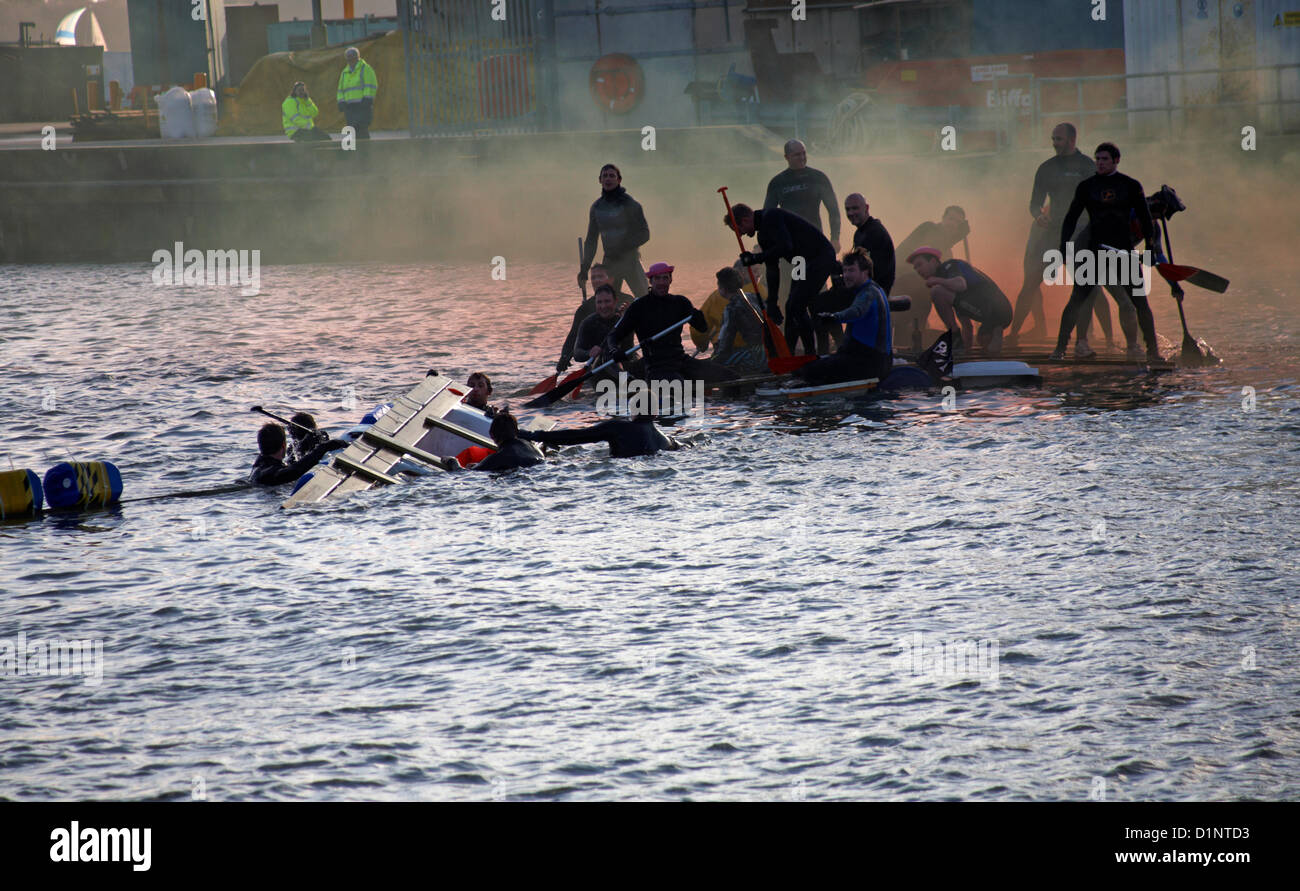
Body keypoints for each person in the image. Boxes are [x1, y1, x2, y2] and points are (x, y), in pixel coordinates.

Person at [1052, 142, 1160, 362]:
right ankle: (1060, 349)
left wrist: (1150, 248)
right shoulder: (1086, 186)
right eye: (1097, 159)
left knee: (1140, 303)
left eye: (1104, 159)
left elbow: (1146, 220)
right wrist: (1063, 246)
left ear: (1116, 160)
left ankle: (1152, 352)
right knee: (1077, 300)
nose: (1100, 163)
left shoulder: (1130, 185)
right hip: (1094, 252)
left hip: (1123, 253)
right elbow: (1071, 218)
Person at [1009, 122, 1114, 350]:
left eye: (1059, 139)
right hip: (1054, 233)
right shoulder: (1046, 168)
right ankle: (1013, 334)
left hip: (1082, 233)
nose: (1054, 143)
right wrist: (1038, 216)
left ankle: (1106, 340)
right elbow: (1035, 204)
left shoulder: (1088, 165)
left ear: (1072, 140)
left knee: (1091, 288)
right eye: (1053, 139)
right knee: (1031, 282)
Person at [599, 262, 738, 384]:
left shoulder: (680, 302)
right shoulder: (639, 307)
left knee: (731, 376)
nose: (661, 283)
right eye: (657, 279)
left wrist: (697, 316)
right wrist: (615, 350)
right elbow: (613, 336)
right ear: (650, 281)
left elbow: (702, 328)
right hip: (655, 365)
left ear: (670, 280)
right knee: (677, 384)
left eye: (665, 278)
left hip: (680, 360)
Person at [726, 202, 836, 355]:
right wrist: (772, 303)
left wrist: (756, 258)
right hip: (801, 263)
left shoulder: (771, 216)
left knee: (797, 306)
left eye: (739, 230)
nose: (740, 235)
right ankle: (789, 355)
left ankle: (813, 355)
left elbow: (786, 246)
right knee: (790, 308)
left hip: (819, 257)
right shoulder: (762, 235)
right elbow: (772, 269)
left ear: (744, 220)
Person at [795, 248, 892, 386]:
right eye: (845, 271)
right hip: (867, 359)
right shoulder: (874, 289)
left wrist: (834, 317)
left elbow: (856, 311)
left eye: (851, 270)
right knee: (811, 367)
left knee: (809, 371)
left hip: (871, 364)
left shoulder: (868, 293)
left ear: (865, 272)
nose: (846, 275)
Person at [812, 193, 896, 353]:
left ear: (867, 208)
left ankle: (827, 351)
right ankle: (840, 346)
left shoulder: (874, 233)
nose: (851, 213)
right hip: (865, 285)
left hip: (875, 290)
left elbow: (871, 273)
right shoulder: (861, 232)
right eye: (847, 209)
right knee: (824, 299)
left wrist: (843, 281)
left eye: (855, 208)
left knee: (819, 304)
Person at [905, 246, 1013, 355]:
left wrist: (936, 280)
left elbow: (960, 285)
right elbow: (966, 324)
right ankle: (994, 332)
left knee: (936, 291)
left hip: (996, 309)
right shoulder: (952, 290)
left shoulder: (950, 266)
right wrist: (965, 350)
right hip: (994, 314)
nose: (918, 270)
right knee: (983, 341)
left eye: (920, 265)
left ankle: (955, 335)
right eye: (915, 268)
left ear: (933, 261)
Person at [891, 205, 971, 345]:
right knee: (904, 318)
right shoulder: (929, 228)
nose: (953, 224)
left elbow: (943, 280)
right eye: (951, 219)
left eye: (958, 222)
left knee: (922, 310)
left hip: (918, 290)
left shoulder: (947, 254)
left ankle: (914, 340)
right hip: (901, 279)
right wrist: (955, 238)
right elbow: (932, 247)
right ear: (943, 218)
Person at [578, 164, 651, 302]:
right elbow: (592, 240)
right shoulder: (596, 208)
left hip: (631, 261)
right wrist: (584, 269)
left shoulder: (630, 204)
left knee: (645, 300)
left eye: (612, 176)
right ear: (599, 180)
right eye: (605, 176)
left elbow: (645, 234)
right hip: (610, 263)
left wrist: (623, 246)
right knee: (607, 300)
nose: (608, 179)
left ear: (619, 180)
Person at [763, 139, 842, 251]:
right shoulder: (777, 182)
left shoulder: (818, 178)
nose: (802, 157)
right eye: (797, 154)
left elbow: (833, 210)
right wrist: (767, 243)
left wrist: (835, 238)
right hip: (789, 243)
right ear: (787, 157)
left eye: (804, 153)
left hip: (815, 239)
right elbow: (767, 216)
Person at [555, 264, 634, 373]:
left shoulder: (628, 300)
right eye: (593, 277)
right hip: (598, 359)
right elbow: (573, 335)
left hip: (626, 354)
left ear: (611, 279)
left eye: (600, 277)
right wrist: (564, 356)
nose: (596, 281)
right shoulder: (584, 309)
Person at [519, 415, 684, 458]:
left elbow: (577, 436)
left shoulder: (618, 427)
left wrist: (534, 435)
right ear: (655, 414)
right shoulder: (667, 440)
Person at [690, 261, 766, 353]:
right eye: (754, 271)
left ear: (723, 289)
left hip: (738, 352)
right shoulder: (756, 294)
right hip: (763, 349)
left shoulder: (728, 307)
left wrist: (702, 344)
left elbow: (725, 338)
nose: (758, 274)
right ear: (740, 274)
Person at [574, 285, 640, 383]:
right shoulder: (588, 323)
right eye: (599, 302)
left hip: (626, 361)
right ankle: (628, 380)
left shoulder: (624, 317)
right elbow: (577, 354)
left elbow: (630, 346)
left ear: (615, 301)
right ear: (595, 303)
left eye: (607, 301)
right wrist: (589, 352)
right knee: (607, 353)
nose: (603, 306)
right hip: (600, 368)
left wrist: (629, 318)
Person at [711, 266, 768, 376]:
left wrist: (714, 361)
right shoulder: (754, 297)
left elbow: (725, 344)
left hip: (759, 355)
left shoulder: (731, 308)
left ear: (722, 289)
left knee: (716, 362)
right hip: (773, 350)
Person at [250, 422, 346, 486]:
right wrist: (324, 447)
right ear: (284, 445)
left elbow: (290, 465)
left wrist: (303, 444)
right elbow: (294, 471)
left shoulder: (259, 466)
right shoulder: (270, 473)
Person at [469, 412, 543, 472]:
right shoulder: (533, 447)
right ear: (517, 432)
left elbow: (473, 472)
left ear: (491, 434)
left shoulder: (496, 458)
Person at [337, 47, 378, 140]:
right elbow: (340, 90)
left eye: (351, 57)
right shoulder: (345, 72)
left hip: (362, 105)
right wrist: (341, 101)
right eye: (348, 57)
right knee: (351, 130)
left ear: (357, 57)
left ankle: (365, 152)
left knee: (362, 129)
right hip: (350, 107)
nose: (349, 59)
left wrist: (367, 98)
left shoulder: (365, 69)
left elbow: (371, 84)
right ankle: (353, 153)